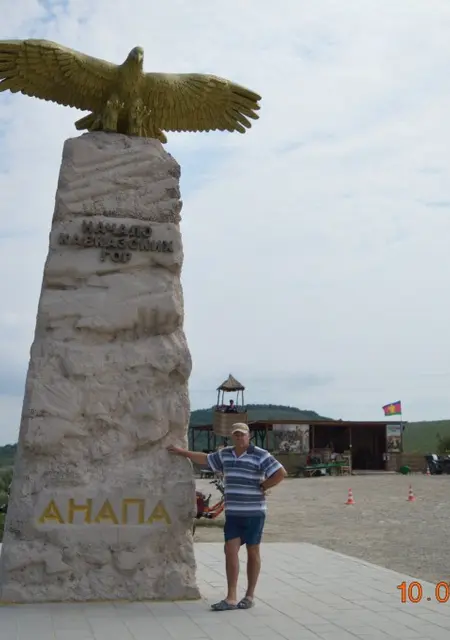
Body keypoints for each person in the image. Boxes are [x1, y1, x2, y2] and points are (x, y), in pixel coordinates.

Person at [167, 422, 287, 611]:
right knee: (230, 551)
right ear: (232, 436)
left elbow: (280, 473)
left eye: (242, 434)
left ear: (249, 436)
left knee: (253, 551)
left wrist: (264, 485)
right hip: (233, 513)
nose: (239, 437)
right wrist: (183, 452)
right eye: (236, 434)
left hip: (254, 512)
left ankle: (249, 595)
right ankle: (231, 597)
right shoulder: (226, 454)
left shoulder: (260, 454)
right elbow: (205, 459)